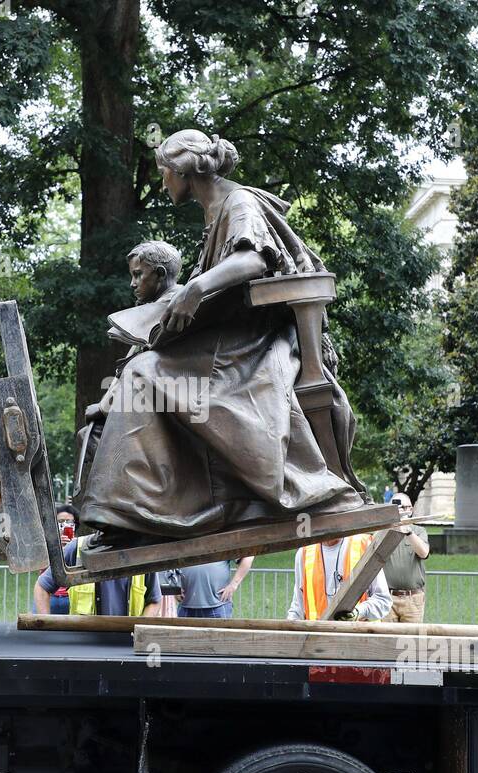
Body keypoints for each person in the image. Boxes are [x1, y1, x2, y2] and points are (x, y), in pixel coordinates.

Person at [78, 129, 364, 542]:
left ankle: (135, 514)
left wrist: (195, 289)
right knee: (139, 370)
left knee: (143, 374)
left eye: (163, 173)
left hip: (252, 348)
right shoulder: (215, 212)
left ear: (182, 170)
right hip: (229, 343)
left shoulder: (238, 202)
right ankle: (142, 512)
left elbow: (253, 258)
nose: (162, 183)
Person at [35, 536, 162, 617]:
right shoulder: (77, 548)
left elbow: (154, 601)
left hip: (126, 645)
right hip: (83, 647)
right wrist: (46, 626)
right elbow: (42, 587)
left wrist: (139, 630)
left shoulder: (142, 554)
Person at [286, 533, 390, 621]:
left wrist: (359, 612)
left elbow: (383, 600)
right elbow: (298, 608)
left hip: (359, 639)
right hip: (319, 640)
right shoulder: (304, 552)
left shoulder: (364, 545)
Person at [378, 492, 431, 623]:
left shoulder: (419, 531)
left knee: (410, 641)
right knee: (387, 640)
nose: (402, 510)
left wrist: (408, 531)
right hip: (387, 598)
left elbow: (424, 553)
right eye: (397, 507)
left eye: (405, 507)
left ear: (411, 509)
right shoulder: (383, 532)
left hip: (413, 599)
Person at [164, 557, 255, 619]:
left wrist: (234, 585)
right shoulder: (183, 536)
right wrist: (174, 587)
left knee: (219, 645)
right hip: (186, 606)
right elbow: (169, 559)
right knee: (184, 646)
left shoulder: (222, 538)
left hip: (218, 606)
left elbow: (248, 556)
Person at [41, 504, 80, 615]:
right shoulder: (45, 544)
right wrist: (56, 548)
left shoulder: (80, 544)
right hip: (48, 595)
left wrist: (69, 548)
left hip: (71, 597)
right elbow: (40, 567)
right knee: (40, 628)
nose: (65, 525)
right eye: (61, 521)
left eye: (69, 522)